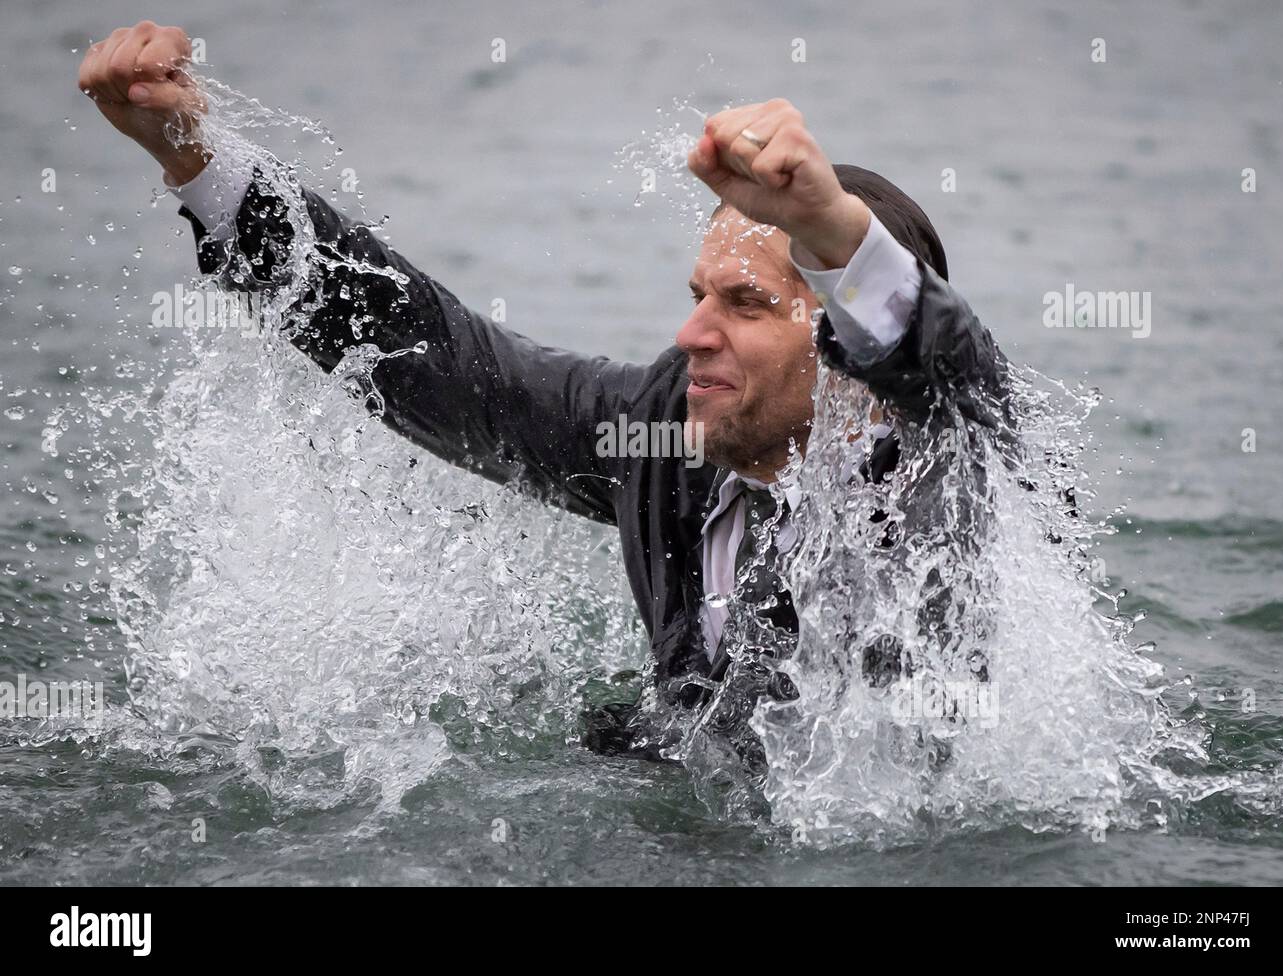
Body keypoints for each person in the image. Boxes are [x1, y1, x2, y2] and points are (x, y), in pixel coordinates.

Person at [78, 21, 1014, 768]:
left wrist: (827, 227)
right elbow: (442, 362)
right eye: (697, 297)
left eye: (744, 304)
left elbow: (947, 369)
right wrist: (199, 160)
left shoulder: (960, 458)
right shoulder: (665, 432)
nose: (692, 334)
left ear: (850, 341)